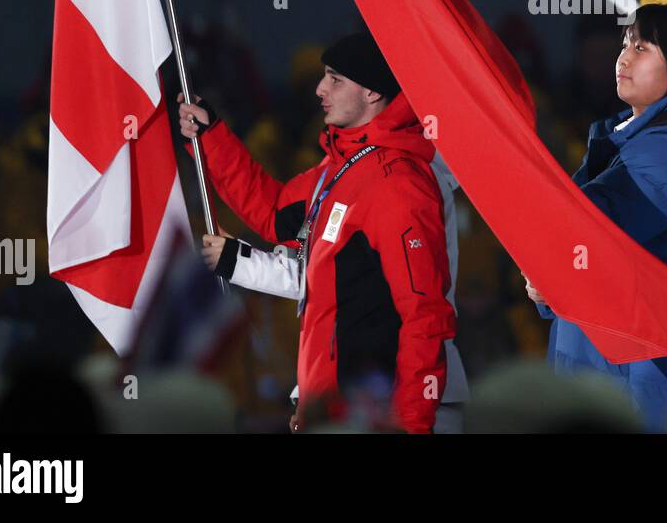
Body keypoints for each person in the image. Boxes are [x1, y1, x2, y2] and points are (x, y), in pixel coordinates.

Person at [178, 31, 458, 433]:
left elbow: (424, 320)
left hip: (369, 418)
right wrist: (211, 139)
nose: (319, 89)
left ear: (372, 93)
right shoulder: (340, 169)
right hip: (326, 412)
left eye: (335, 79)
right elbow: (273, 214)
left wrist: (410, 425)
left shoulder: (398, 185)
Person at [523, 3, 667, 430]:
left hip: (644, 389)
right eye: (626, 43)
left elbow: (584, 231)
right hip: (626, 379)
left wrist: (501, 161)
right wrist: (551, 288)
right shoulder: (634, 143)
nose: (623, 57)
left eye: (642, 47)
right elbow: (601, 264)